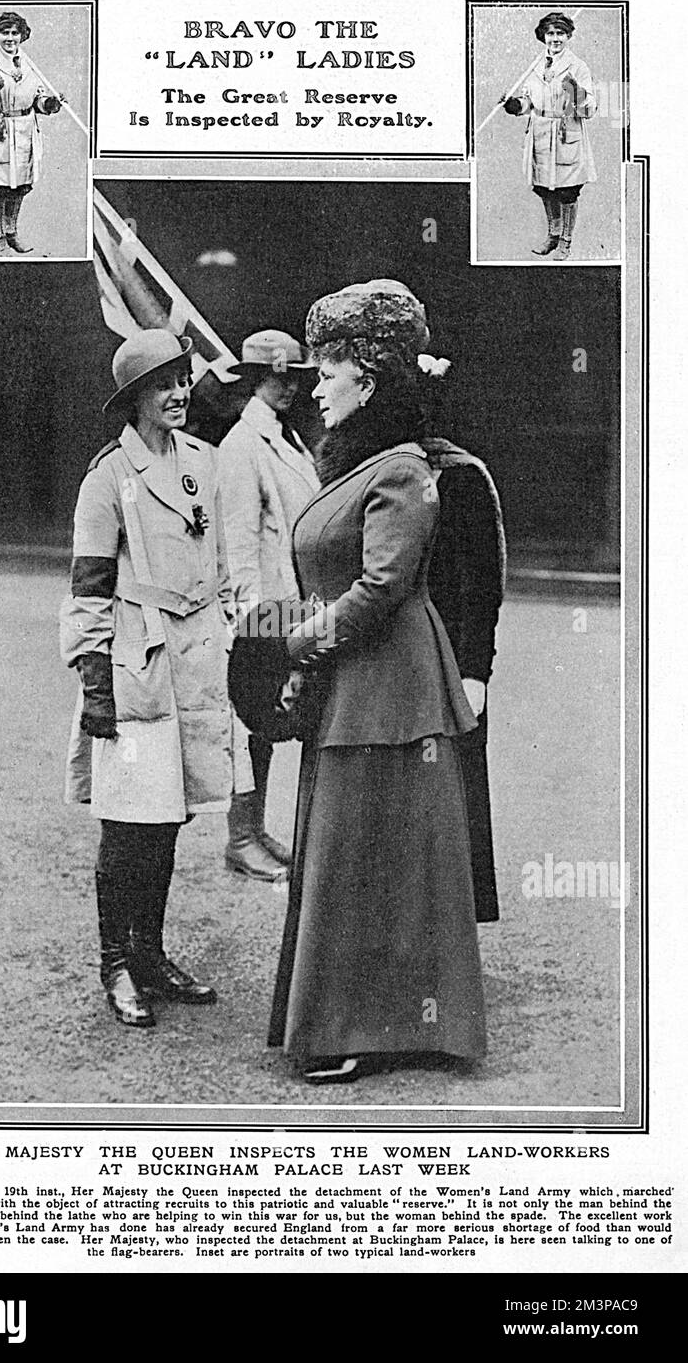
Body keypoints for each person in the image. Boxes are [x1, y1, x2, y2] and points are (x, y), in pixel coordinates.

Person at [268, 281, 487, 1084]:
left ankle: (367, 1026)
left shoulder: (399, 469)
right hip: (355, 683)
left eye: (325, 372)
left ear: (366, 379)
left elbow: (381, 586)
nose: (312, 387)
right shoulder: (364, 465)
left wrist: (293, 645)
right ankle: (362, 1019)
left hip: (388, 689)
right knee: (361, 855)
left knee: (368, 857)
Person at [60, 330, 232, 1028]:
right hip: (135, 664)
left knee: (168, 821)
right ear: (134, 397)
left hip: (193, 660)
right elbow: (89, 589)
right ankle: (115, 964)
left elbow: (218, 567)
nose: (178, 393)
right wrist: (94, 682)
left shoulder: (204, 463)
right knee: (127, 824)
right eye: (162, 384)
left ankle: (151, 955)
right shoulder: (107, 479)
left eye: (183, 379)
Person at [218, 329, 320, 881]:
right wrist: (252, 622)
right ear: (256, 379)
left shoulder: (288, 440)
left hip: (293, 603)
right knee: (253, 718)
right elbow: (238, 543)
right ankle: (240, 837)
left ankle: (256, 829)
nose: (289, 387)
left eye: (296, 377)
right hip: (263, 610)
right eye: (279, 376)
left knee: (276, 719)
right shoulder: (242, 446)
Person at [421, 421, 506, 925]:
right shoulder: (376, 466)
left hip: (450, 655)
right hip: (391, 659)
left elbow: (482, 581)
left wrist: (475, 671)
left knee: (455, 791)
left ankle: (452, 924)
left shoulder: (459, 474)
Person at [502, 11, 597, 260]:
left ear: (568, 36)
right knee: (545, 189)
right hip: (541, 135)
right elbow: (528, 103)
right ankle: (552, 236)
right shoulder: (534, 66)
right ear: (543, 36)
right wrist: (514, 105)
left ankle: (566, 241)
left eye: (560, 34)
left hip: (567, 133)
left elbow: (591, 109)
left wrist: (576, 91)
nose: (555, 39)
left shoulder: (578, 66)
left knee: (567, 191)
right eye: (550, 33)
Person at [0, 11, 65, 256]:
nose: (9, 38)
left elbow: (38, 100)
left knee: (19, 187)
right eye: (5, 33)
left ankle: (12, 234)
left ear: (23, 36)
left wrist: (50, 104)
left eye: (14, 33)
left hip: (25, 135)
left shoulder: (31, 66)